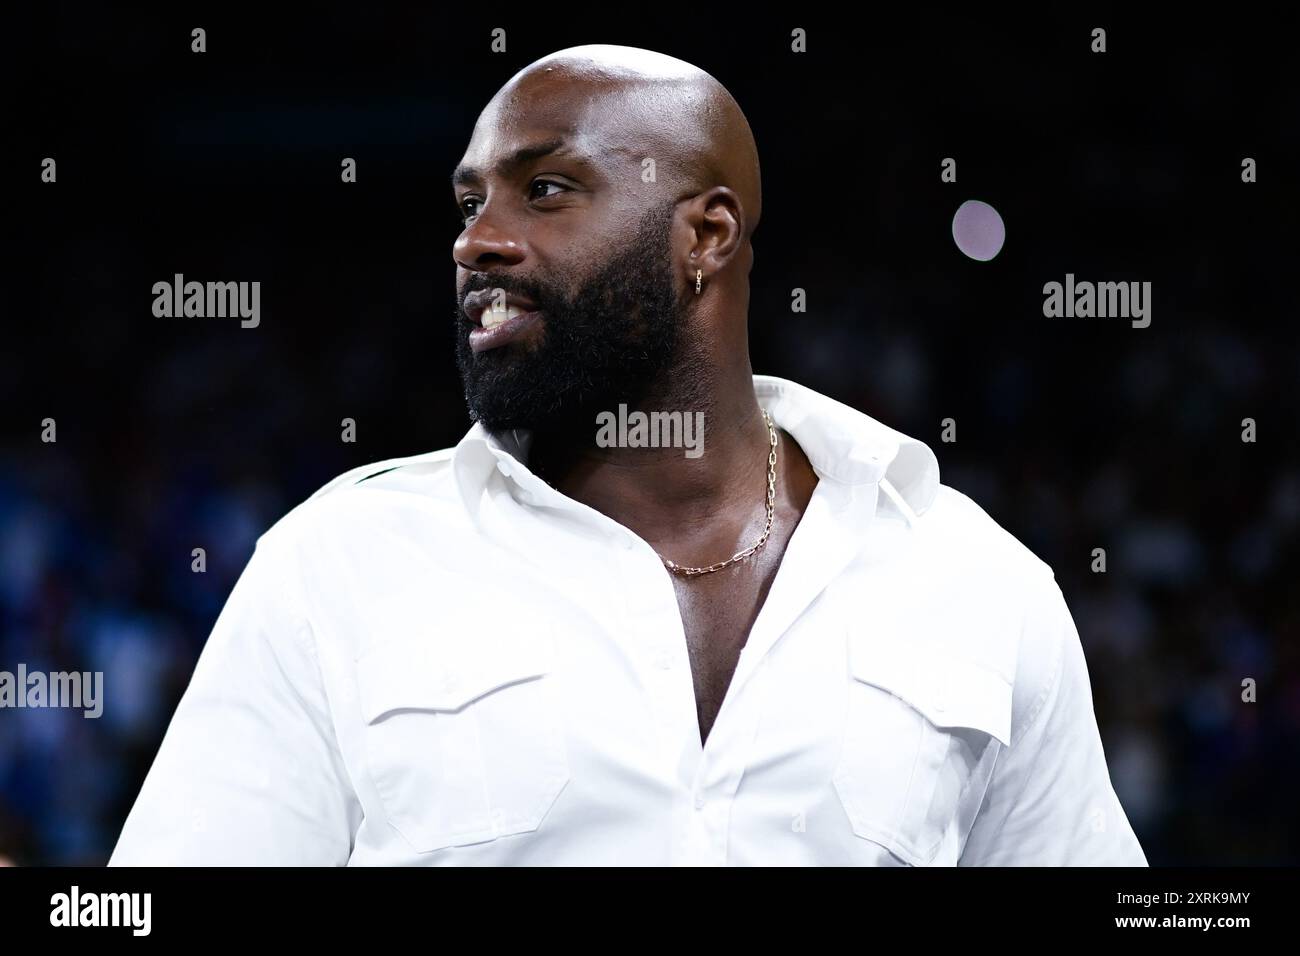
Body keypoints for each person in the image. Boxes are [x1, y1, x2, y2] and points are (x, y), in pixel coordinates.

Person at [109, 44, 1146, 866]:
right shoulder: (334, 565)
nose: (478, 239)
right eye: (470, 202)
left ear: (706, 235)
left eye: (546, 190)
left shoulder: (976, 585)